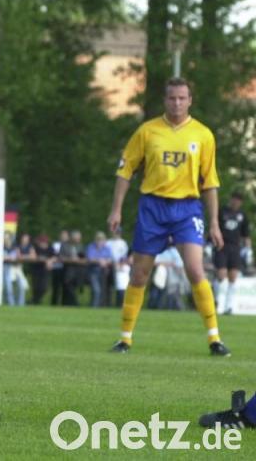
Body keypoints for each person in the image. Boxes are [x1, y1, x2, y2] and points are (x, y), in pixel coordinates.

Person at [107, 77, 229, 356]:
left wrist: (214, 223)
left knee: (195, 269)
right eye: (172, 98)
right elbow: (125, 171)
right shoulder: (148, 131)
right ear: (165, 100)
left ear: (190, 101)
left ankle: (214, 338)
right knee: (139, 273)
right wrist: (116, 209)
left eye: (182, 98)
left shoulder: (203, 135)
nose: (177, 103)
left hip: (187, 208)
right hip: (153, 206)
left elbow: (210, 182)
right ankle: (125, 338)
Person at [215, 191, 250, 315]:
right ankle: (218, 304)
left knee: (233, 277)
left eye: (239, 200)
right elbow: (214, 227)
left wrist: (248, 250)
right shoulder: (222, 211)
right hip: (222, 246)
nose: (236, 202)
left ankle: (229, 306)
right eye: (235, 199)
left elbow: (246, 235)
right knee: (221, 276)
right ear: (231, 199)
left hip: (235, 248)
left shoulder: (242, 215)